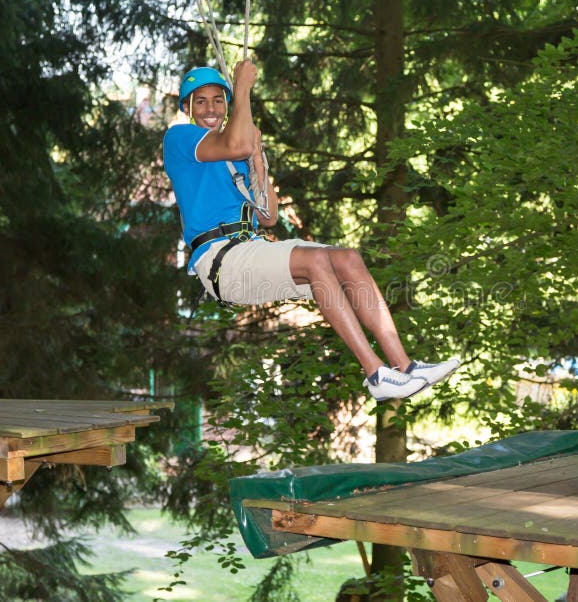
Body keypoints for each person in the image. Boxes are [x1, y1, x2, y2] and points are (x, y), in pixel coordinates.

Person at [163, 60, 460, 401]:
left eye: (219, 99)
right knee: (316, 260)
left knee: (347, 259)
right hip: (220, 261)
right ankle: (376, 374)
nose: (210, 108)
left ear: (227, 106)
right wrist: (241, 87)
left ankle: (405, 367)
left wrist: (257, 160)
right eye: (200, 101)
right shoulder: (181, 138)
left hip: (249, 248)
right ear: (187, 108)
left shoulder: (235, 150)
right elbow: (235, 144)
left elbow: (270, 215)